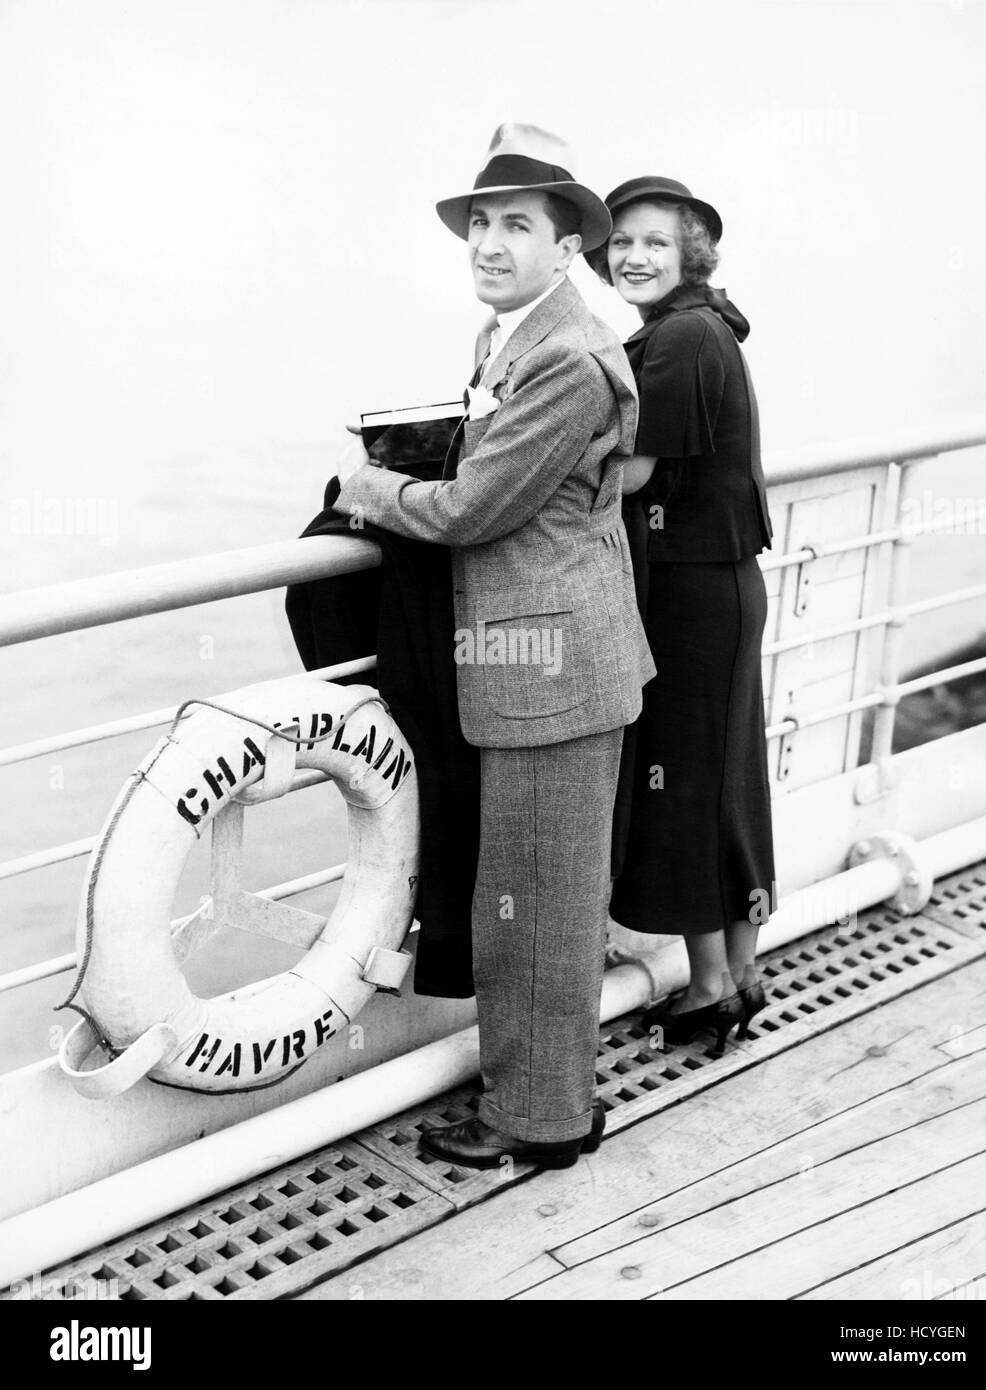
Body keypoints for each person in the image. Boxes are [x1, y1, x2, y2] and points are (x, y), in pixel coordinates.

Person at [331, 124, 655, 1168]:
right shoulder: (508, 336)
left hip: (552, 669)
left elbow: (475, 506)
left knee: (541, 914)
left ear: (568, 248)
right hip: (531, 660)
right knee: (518, 899)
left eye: (518, 225)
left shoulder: (565, 356)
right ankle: (537, 1096)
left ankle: (543, 1120)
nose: (488, 243)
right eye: (479, 222)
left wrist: (371, 488)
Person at [586, 176, 776, 1056]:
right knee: (727, 776)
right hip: (722, 586)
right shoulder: (703, 326)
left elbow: (627, 476)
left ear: (689, 252)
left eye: (654, 242)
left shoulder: (679, 338)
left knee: (685, 780)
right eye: (621, 242)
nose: (634, 256)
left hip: (693, 595)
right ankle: (739, 973)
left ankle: (707, 985)